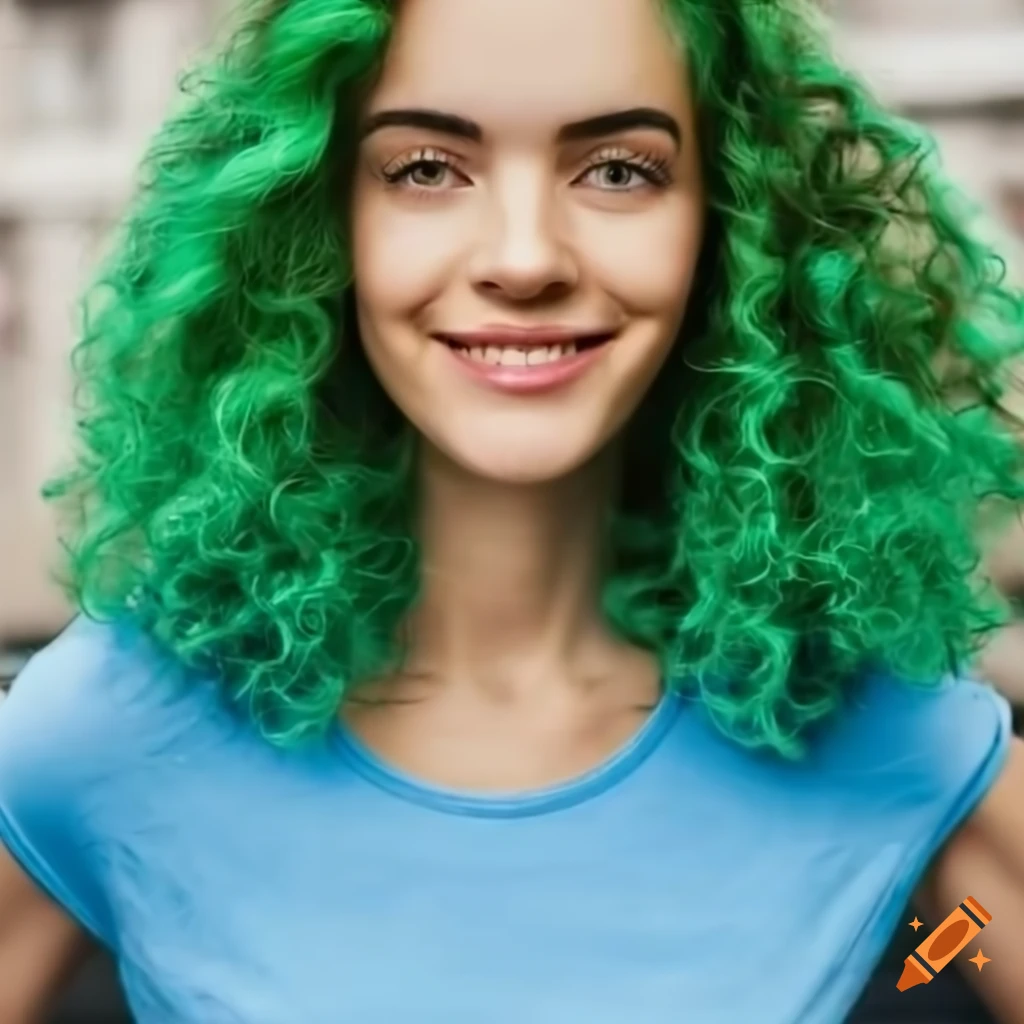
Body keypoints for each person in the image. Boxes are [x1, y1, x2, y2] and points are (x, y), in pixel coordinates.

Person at [1, 0, 1023, 1021]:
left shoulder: (885, 742)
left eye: (619, 169)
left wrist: (930, 952)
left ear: (732, 224)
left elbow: (958, 943)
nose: (526, 258)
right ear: (312, 221)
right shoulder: (104, 738)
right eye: (425, 169)